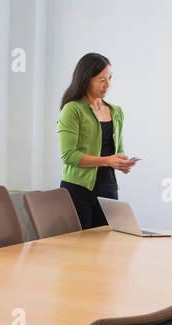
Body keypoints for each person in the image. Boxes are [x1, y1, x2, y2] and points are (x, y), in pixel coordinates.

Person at [57, 53, 136, 228]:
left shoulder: (116, 111)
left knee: (107, 247)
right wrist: (107, 161)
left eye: (109, 78)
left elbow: (118, 149)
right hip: (78, 191)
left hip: (108, 189)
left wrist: (121, 162)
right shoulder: (72, 109)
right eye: (101, 80)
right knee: (79, 249)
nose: (107, 85)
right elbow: (69, 155)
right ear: (86, 79)